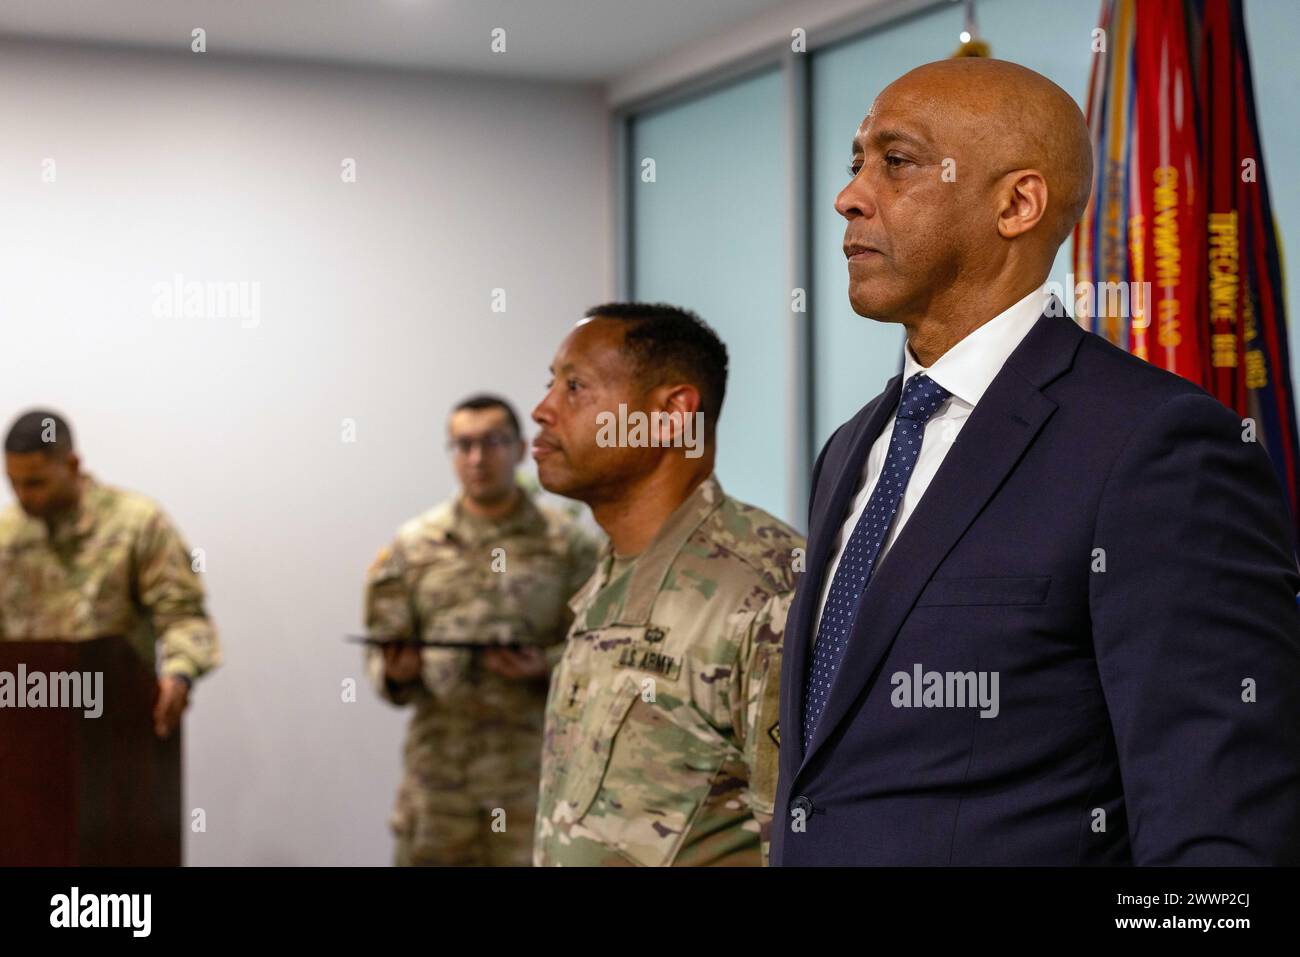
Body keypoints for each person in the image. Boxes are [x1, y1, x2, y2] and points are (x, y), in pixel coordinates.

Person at [771, 58, 1300, 866]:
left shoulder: (1157, 445)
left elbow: (1219, 830)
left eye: (896, 160)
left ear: (1017, 204)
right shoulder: (852, 446)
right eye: (855, 163)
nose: (849, 195)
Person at [530, 302, 803, 866]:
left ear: (672, 412)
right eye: (550, 384)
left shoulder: (765, 590)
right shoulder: (611, 571)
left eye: (575, 386)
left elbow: (805, 842)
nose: (542, 410)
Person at [364, 394, 598, 866]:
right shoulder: (413, 544)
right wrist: (397, 670)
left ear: (519, 449)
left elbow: (599, 650)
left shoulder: (568, 543)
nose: (477, 458)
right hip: (438, 785)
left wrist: (544, 666)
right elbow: (381, 655)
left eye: (493, 441)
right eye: (464, 444)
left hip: (531, 779)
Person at [0, 409, 220, 738]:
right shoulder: (6, 535)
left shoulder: (137, 524)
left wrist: (180, 675)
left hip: (115, 729)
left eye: (36, 483)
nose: (23, 496)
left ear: (72, 465)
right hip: (26, 732)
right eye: (14, 483)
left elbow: (183, 616)